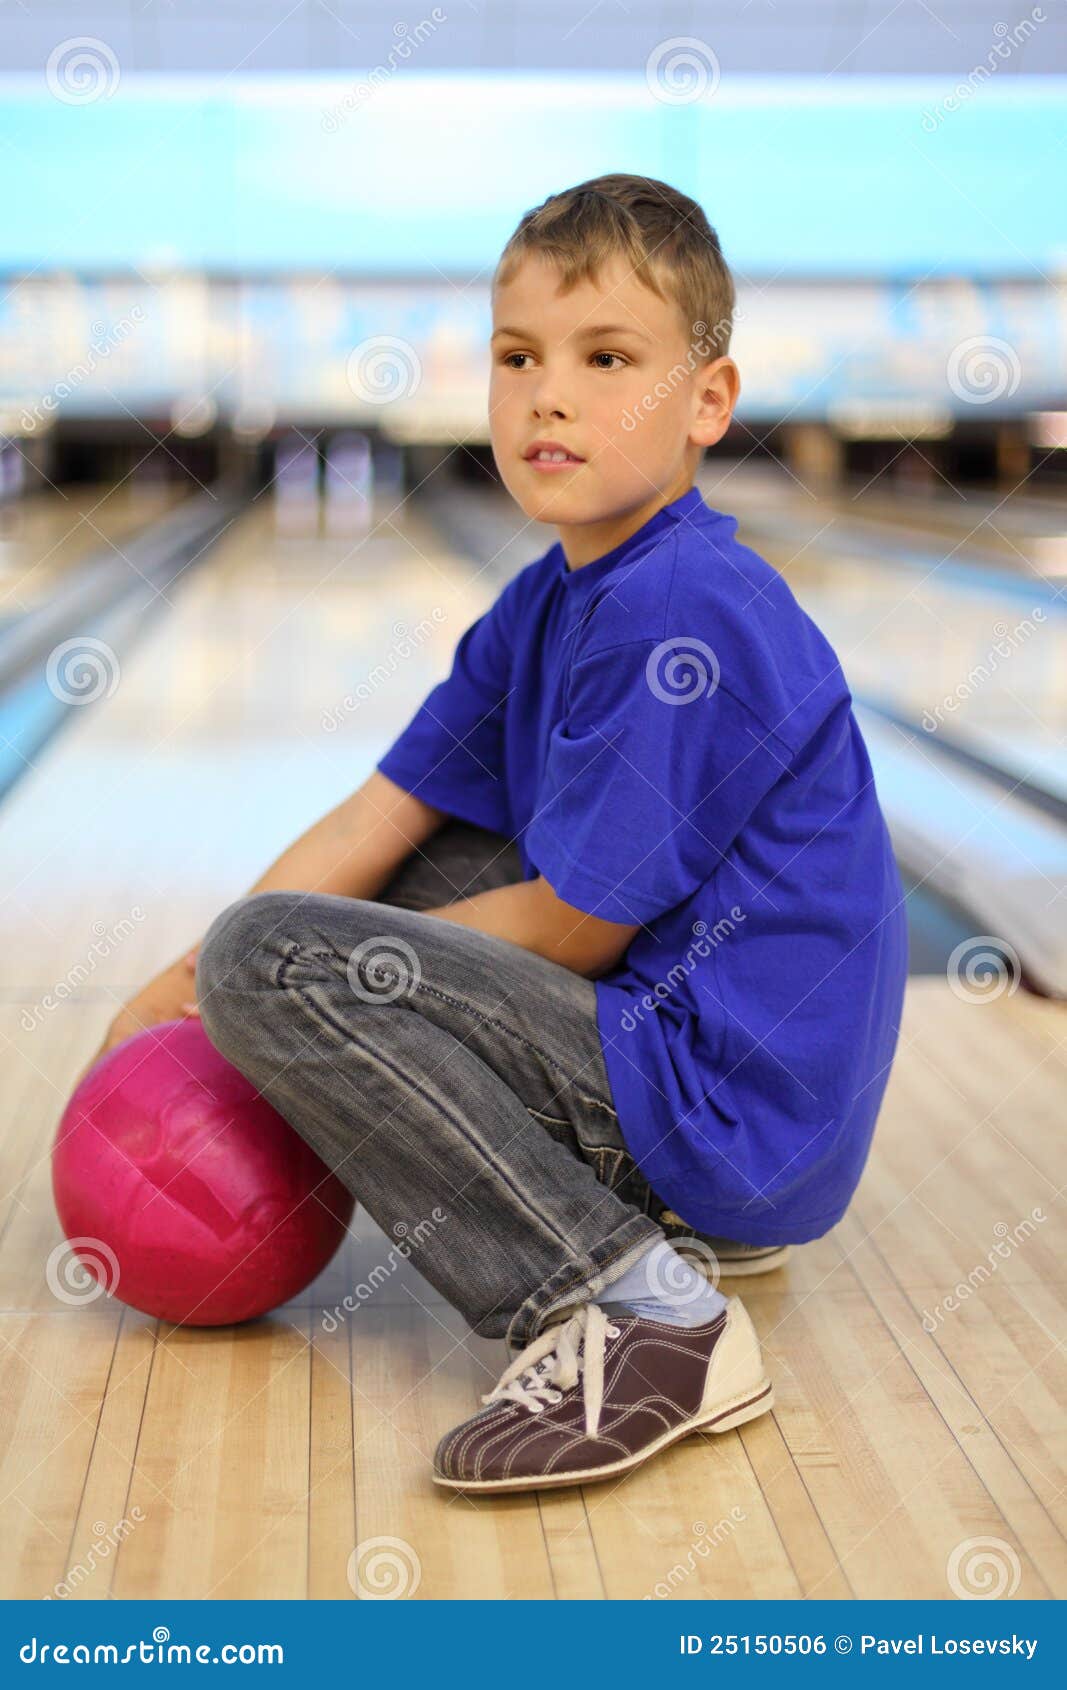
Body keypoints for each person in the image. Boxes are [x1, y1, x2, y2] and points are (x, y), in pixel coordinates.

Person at [93, 175, 908, 1494]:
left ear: (708, 403)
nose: (549, 394)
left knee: (280, 959)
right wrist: (186, 988)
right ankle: (664, 1227)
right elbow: (381, 816)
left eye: (607, 359)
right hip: (701, 1084)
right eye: (518, 356)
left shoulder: (682, 605)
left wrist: (276, 987)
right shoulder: (547, 602)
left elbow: (574, 926)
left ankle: (639, 1312)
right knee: (313, 928)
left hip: (730, 1112)